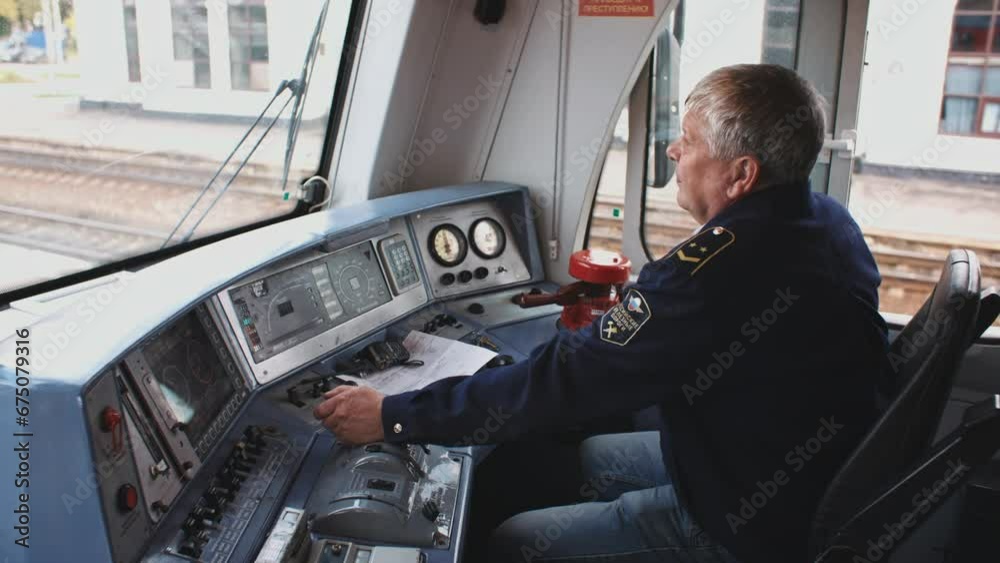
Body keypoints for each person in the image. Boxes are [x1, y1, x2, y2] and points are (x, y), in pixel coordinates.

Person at [313, 64, 889, 563]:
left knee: (515, 542)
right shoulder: (827, 220)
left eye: (687, 143)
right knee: (595, 455)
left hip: (748, 526)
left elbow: (564, 381)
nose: (672, 152)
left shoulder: (715, 271)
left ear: (740, 175)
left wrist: (393, 416)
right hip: (793, 474)